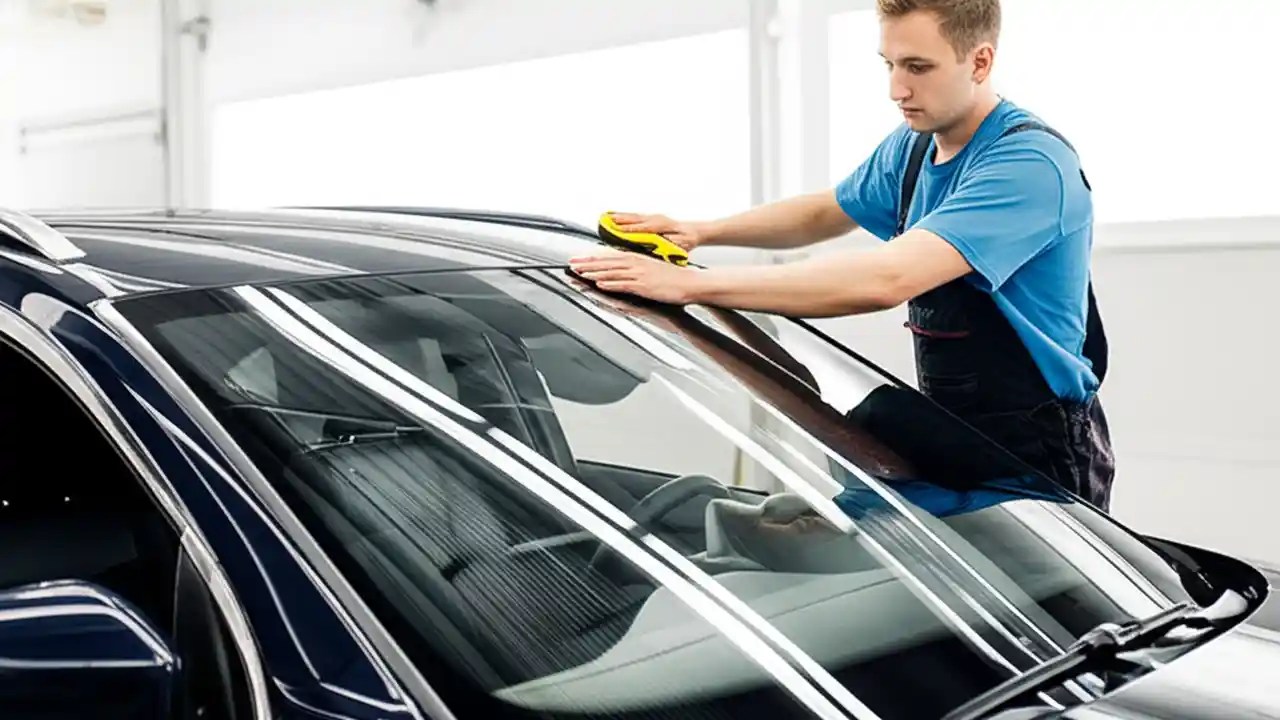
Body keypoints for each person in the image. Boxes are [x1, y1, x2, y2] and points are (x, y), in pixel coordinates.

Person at [569, 0, 1116, 511]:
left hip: (1039, 459)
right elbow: (824, 212)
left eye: (918, 67)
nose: (896, 89)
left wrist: (687, 286)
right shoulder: (914, 147)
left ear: (980, 61)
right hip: (958, 433)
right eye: (890, 64)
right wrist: (700, 231)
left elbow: (886, 279)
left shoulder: (1028, 165)